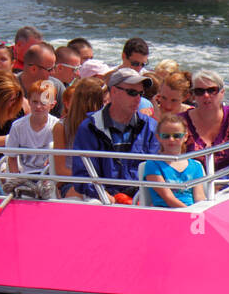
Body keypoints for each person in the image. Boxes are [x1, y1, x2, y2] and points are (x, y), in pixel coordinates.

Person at [66, 68, 160, 201]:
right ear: (114, 92)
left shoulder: (151, 127)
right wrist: (103, 195)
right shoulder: (90, 127)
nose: (138, 98)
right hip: (101, 200)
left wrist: (138, 197)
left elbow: (156, 170)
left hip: (142, 198)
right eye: (132, 92)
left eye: (140, 93)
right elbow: (83, 175)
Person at [5, 82, 60, 198]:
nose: (38, 107)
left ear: (52, 105)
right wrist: (16, 180)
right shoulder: (18, 126)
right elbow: (12, 157)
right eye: (35, 102)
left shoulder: (57, 126)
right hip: (25, 177)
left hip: (50, 177)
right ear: (28, 101)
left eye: (44, 103)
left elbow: (62, 157)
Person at [143, 113, 207, 208]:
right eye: (166, 136)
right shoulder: (152, 165)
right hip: (167, 213)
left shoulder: (196, 166)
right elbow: (168, 197)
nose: (171, 139)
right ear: (158, 137)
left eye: (177, 135)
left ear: (185, 137)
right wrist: (190, 212)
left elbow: (199, 197)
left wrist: (200, 212)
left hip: (192, 212)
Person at [52, 77, 107, 184]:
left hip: (101, 180)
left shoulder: (105, 124)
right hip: (73, 181)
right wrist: (92, 179)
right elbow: (61, 170)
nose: (106, 105)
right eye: (103, 101)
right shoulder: (61, 127)